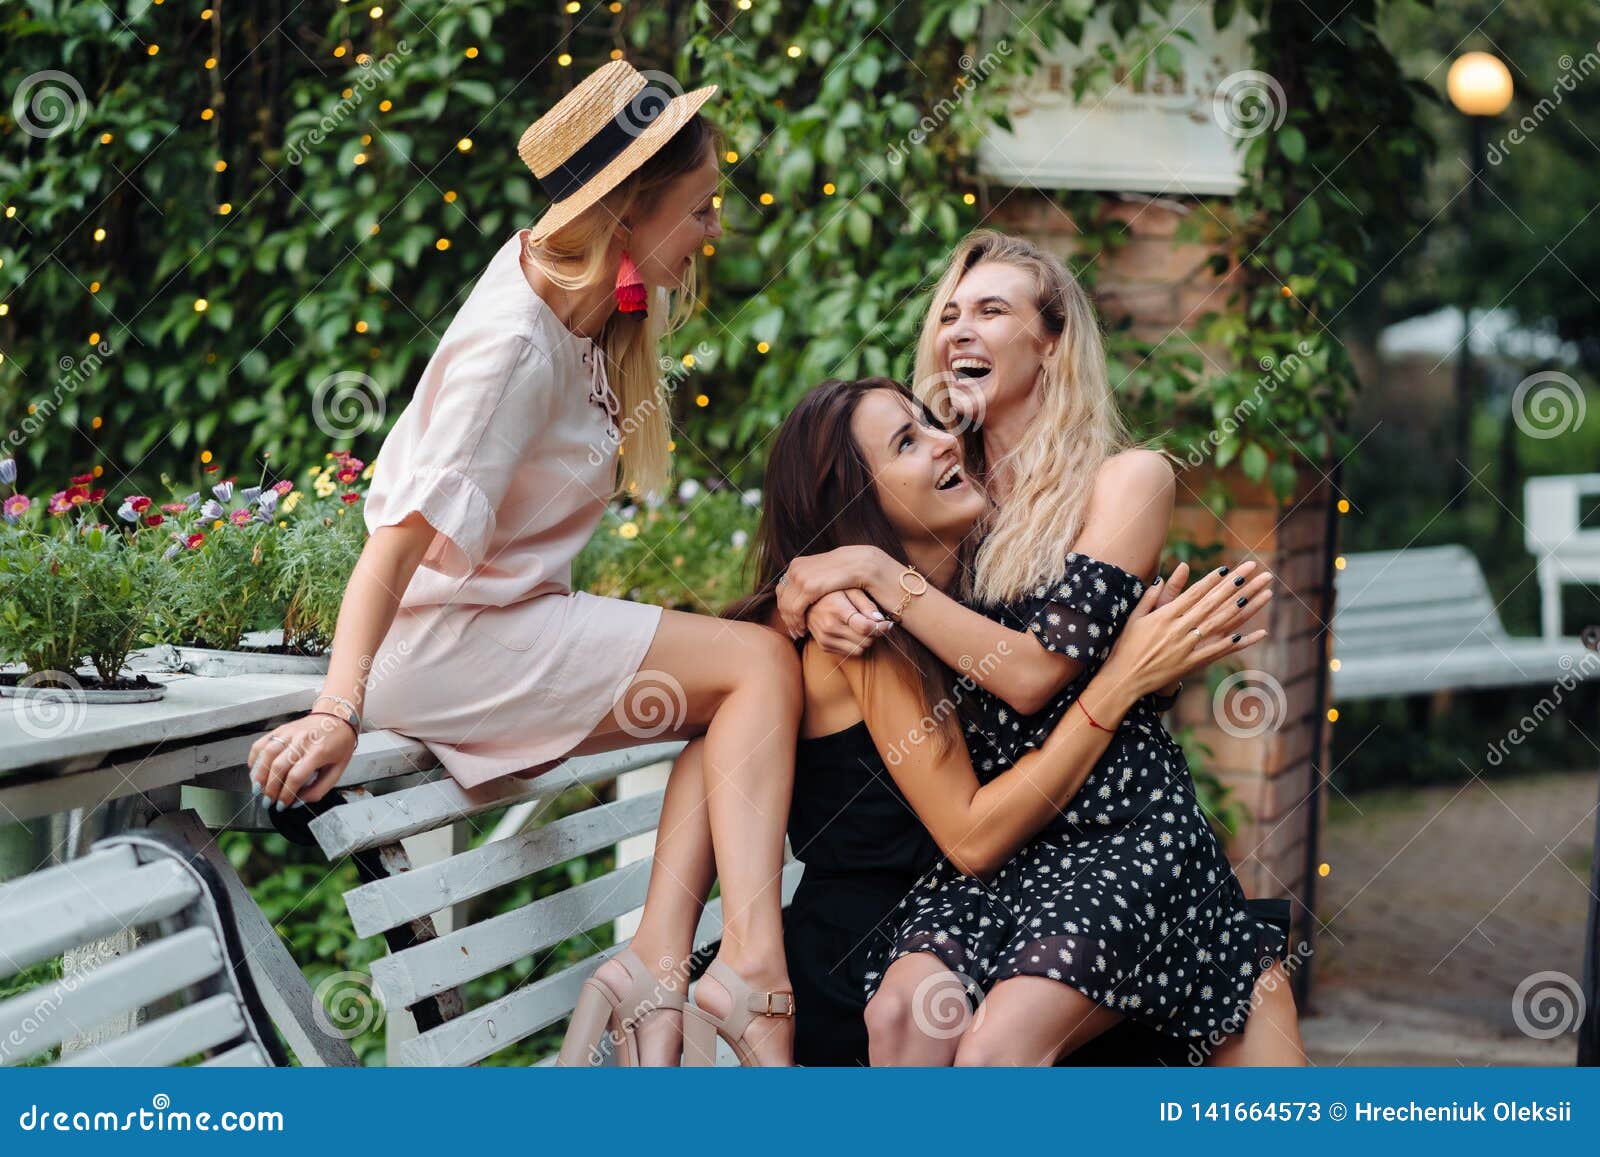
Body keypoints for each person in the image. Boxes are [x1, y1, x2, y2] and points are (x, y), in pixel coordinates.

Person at [245, 61, 800, 1067]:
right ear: (627, 212)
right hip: (452, 646)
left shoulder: (579, 306)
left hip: (498, 624)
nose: (713, 229)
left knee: (740, 687)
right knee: (759, 668)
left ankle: (660, 965)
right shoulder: (513, 345)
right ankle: (751, 968)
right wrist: (338, 704)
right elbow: (392, 549)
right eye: (700, 207)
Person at [776, 231, 1306, 1065]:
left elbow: (1028, 675)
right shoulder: (954, 501)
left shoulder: (1125, 482)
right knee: (904, 1016)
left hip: (1120, 830)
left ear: (1052, 343)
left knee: (999, 1044)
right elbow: (837, 537)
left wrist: (872, 572)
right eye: (949, 314)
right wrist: (810, 594)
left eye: (991, 310)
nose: (959, 330)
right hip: (1002, 845)